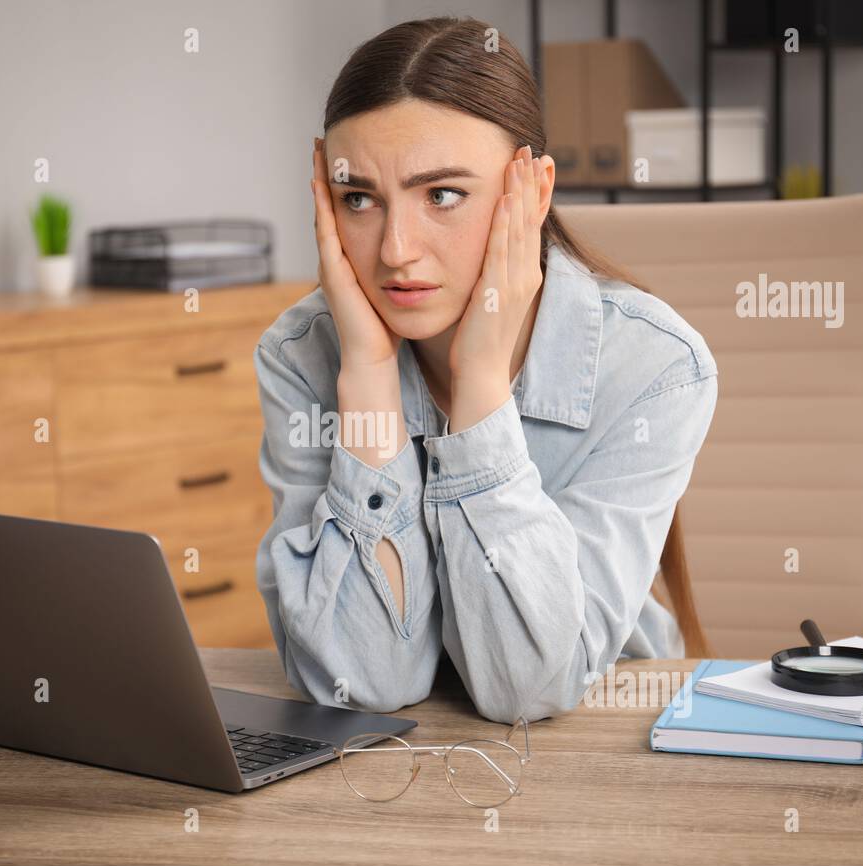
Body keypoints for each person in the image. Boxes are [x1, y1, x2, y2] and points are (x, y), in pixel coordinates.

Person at [254, 16, 718, 724]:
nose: (396, 251)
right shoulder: (301, 357)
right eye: (359, 199)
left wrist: (479, 390)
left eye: (441, 194)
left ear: (531, 193)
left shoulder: (657, 368)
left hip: (604, 745)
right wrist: (370, 377)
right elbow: (366, 683)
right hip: (392, 779)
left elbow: (526, 690)